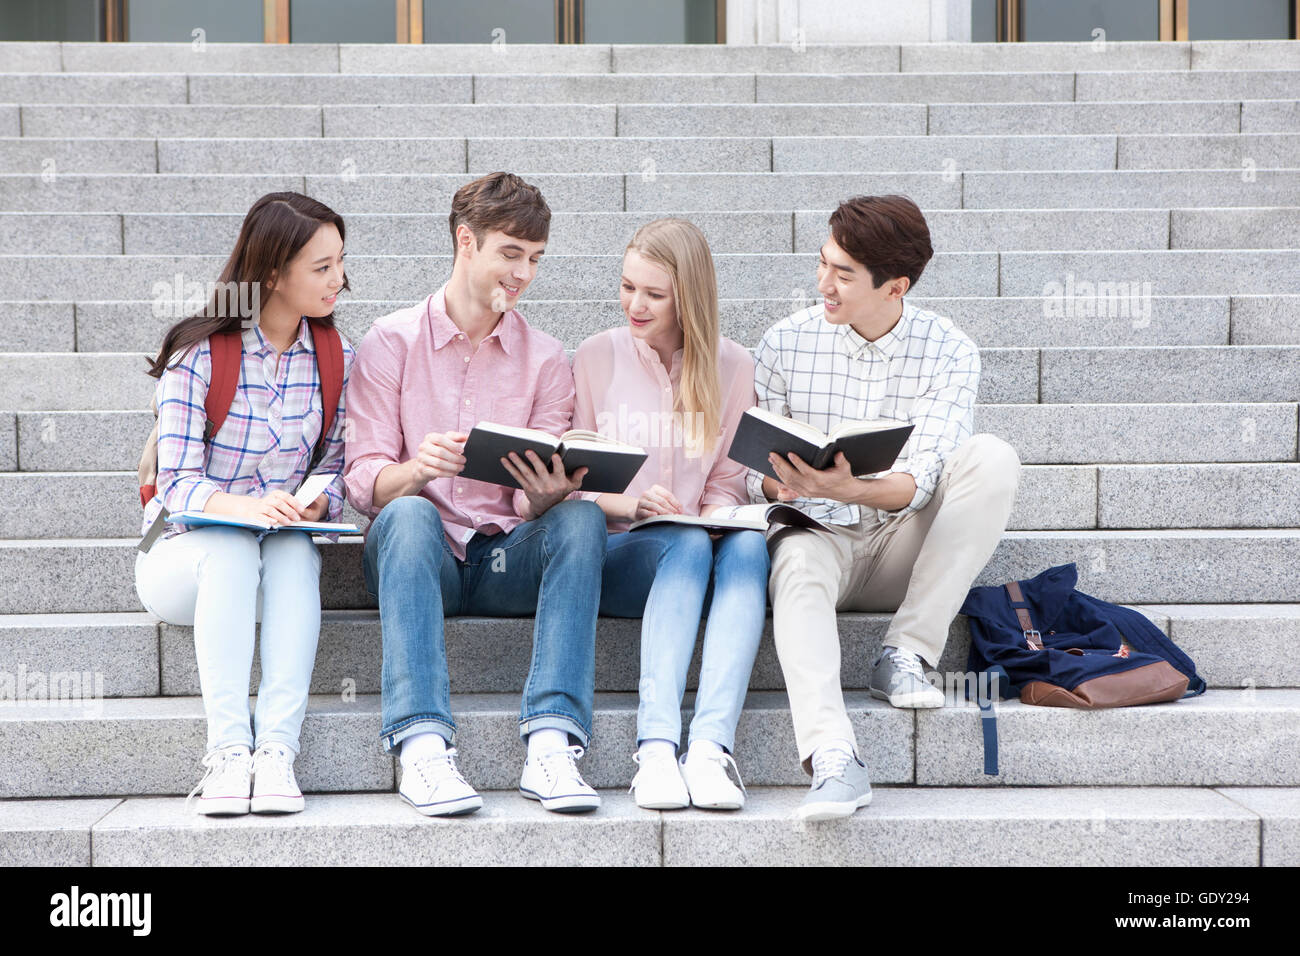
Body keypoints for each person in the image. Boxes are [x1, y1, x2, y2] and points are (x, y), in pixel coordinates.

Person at [343, 171, 607, 817]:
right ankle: (422, 744)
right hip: (420, 556)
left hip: (501, 559)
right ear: (467, 242)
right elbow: (360, 479)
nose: (523, 273)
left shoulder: (545, 358)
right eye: (510, 254)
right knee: (406, 511)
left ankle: (552, 741)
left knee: (582, 521)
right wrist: (416, 470)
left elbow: (526, 505)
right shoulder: (390, 341)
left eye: (535, 259)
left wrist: (544, 497)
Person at [750, 194, 1020, 821]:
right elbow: (745, 475)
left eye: (843, 274)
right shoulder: (782, 344)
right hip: (819, 537)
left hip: (903, 542)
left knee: (992, 455)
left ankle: (906, 653)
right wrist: (779, 487)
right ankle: (832, 758)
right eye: (823, 264)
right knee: (793, 554)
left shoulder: (950, 350)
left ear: (895, 286)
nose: (824, 284)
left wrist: (848, 488)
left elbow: (922, 478)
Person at [136, 192, 355, 816]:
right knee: (235, 547)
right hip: (177, 552)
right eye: (321, 267)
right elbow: (176, 484)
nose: (338, 279)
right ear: (272, 272)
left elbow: (337, 466)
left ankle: (277, 752)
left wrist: (318, 502)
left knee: (292, 551)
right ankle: (229, 751)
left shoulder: (337, 359)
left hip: (275, 550)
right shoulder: (200, 353)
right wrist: (247, 507)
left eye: (340, 262)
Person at [572, 218, 769, 811]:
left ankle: (709, 749)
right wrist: (631, 504)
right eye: (628, 286)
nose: (635, 303)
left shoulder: (734, 367)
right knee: (680, 545)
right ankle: (656, 749)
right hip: (621, 553)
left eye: (654, 294)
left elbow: (729, 481)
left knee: (750, 544)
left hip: (700, 553)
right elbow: (571, 483)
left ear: (689, 298)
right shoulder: (595, 356)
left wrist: (714, 517)